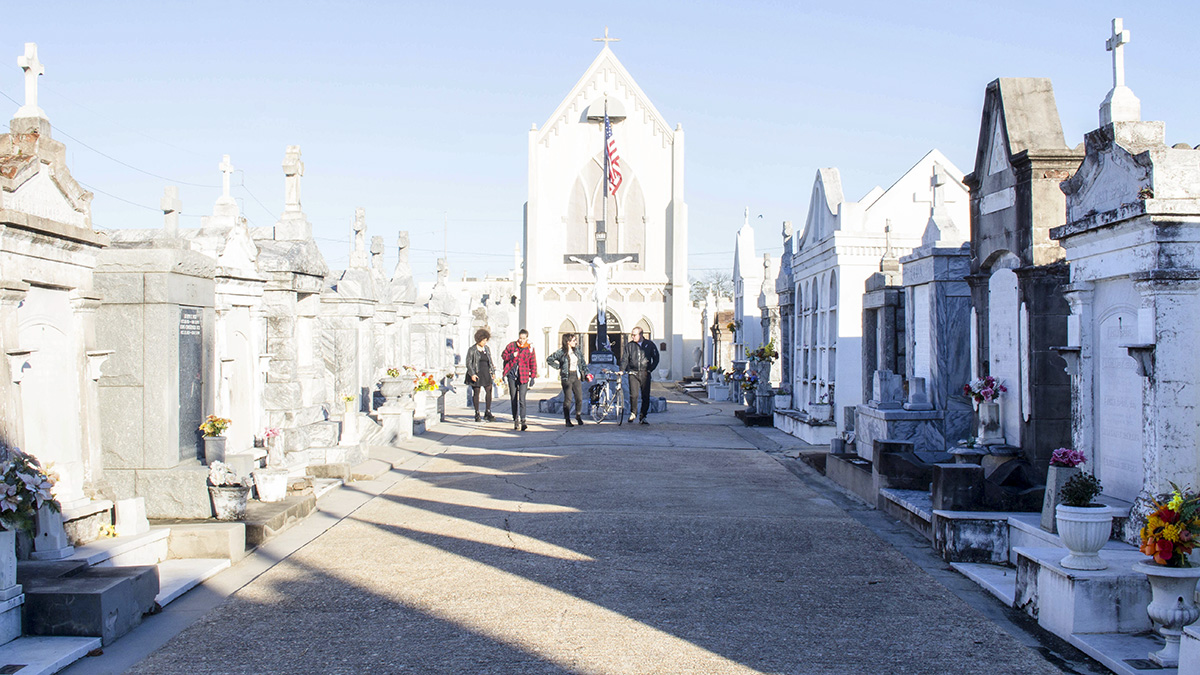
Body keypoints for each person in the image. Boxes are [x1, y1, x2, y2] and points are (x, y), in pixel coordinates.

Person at [546, 333, 589, 427]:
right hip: (567, 376)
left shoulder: (577, 351)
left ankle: (578, 415)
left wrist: (586, 373)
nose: (575, 342)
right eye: (573, 340)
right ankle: (567, 419)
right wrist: (559, 366)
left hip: (576, 375)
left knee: (579, 398)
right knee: (568, 398)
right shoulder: (561, 352)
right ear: (568, 342)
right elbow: (549, 359)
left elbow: (582, 363)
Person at [620, 327, 659, 424]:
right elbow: (625, 358)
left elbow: (656, 358)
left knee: (645, 395)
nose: (632, 337)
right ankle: (633, 413)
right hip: (633, 373)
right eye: (632, 335)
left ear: (641, 335)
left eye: (634, 335)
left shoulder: (649, 345)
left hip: (645, 373)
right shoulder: (630, 346)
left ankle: (643, 416)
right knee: (634, 395)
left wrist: (650, 369)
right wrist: (622, 370)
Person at [501, 328, 537, 431]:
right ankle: (515, 419)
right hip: (512, 375)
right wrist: (512, 355)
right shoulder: (512, 346)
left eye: (524, 338)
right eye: (520, 338)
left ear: (527, 338)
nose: (521, 340)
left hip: (523, 375)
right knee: (513, 398)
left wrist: (533, 376)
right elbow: (503, 356)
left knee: (522, 399)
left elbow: (533, 362)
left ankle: (523, 420)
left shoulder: (529, 348)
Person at [464, 328, 496, 422]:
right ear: (479, 339)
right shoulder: (472, 350)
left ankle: (488, 411)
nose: (485, 342)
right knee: (476, 392)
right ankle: (477, 413)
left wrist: (492, 372)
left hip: (486, 372)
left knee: (489, 390)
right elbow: (468, 363)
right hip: (477, 372)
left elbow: (490, 361)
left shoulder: (487, 349)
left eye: (486, 340)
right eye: (483, 340)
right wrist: (472, 374)